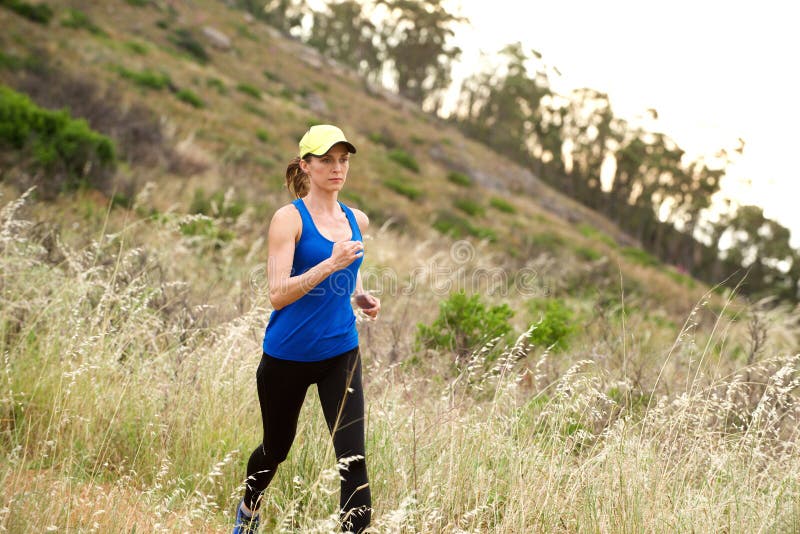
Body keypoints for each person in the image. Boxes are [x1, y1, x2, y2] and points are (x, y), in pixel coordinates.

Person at [233, 125, 380, 534]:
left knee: (353, 460)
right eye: (326, 160)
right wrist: (330, 264)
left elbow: (350, 265)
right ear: (305, 165)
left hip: (340, 352)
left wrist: (359, 294)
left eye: (343, 160)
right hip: (287, 355)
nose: (337, 168)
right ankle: (249, 509)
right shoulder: (288, 219)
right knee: (275, 450)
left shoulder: (356, 219)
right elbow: (278, 294)